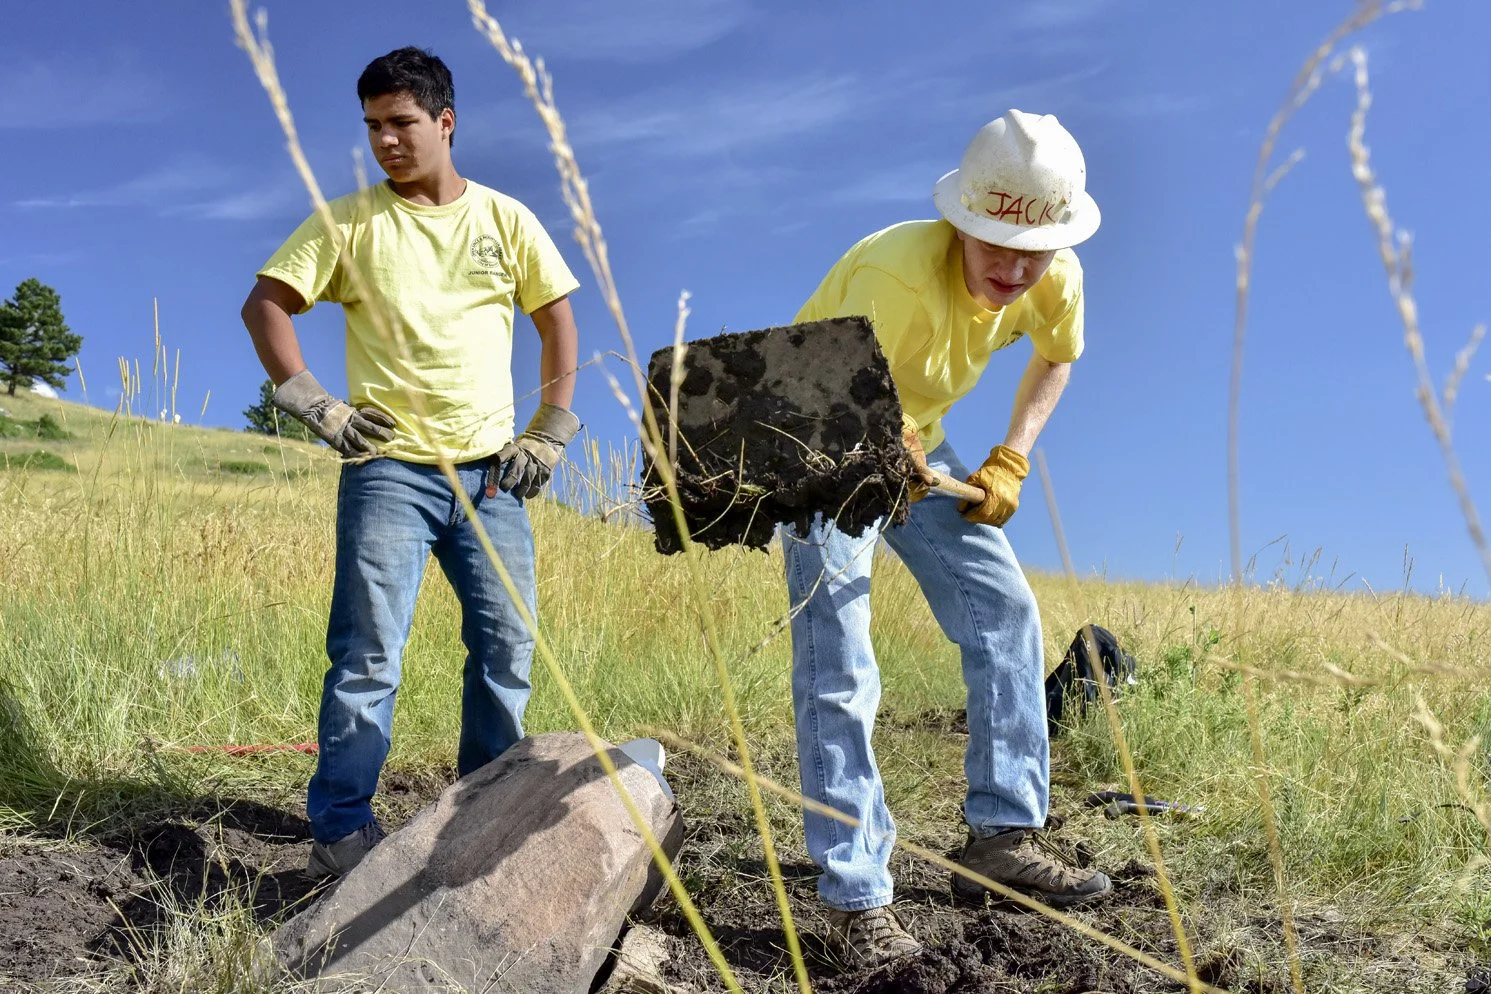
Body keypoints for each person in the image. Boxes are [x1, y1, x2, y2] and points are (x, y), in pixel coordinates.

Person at [240, 47, 582, 879]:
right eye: (372, 127)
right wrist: (316, 404)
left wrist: (549, 428)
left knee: (505, 650)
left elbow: (557, 320)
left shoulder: (505, 219)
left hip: (493, 477)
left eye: (400, 123)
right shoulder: (348, 223)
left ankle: (483, 809)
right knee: (368, 654)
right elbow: (266, 304)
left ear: (444, 122)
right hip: (388, 469)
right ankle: (341, 831)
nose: (385, 140)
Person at [783, 109, 1110, 969]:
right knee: (839, 653)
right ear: (958, 222)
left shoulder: (1055, 275)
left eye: (1028, 251)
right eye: (991, 245)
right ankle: (855, 897)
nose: (1011, 269)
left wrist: (1011, 455)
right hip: (821, 434)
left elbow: (1056, 356)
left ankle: (1000, 836)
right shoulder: (895, 272)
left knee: (1005, 613)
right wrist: (889, 443)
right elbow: (843, 398)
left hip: (920, 439)